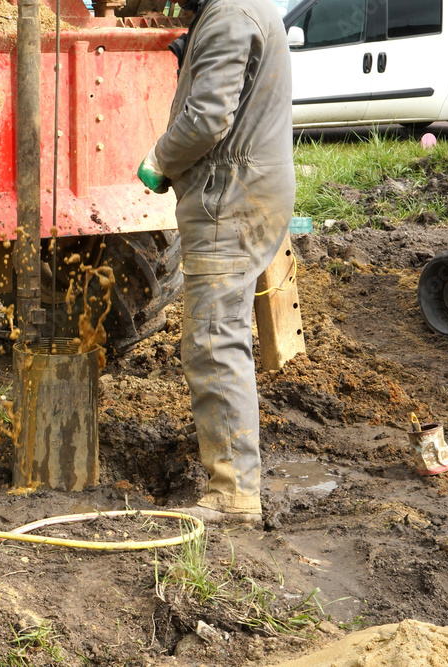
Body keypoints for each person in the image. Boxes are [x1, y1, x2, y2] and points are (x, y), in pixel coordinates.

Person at [137, 0, 295, 525]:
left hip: (230, 195)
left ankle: (233, 493)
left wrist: (160, 159)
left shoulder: (229, 17)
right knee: (220, 332)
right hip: (245, 187)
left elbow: (207, 117)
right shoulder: (236, 10)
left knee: (213, 337)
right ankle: (233, 474)